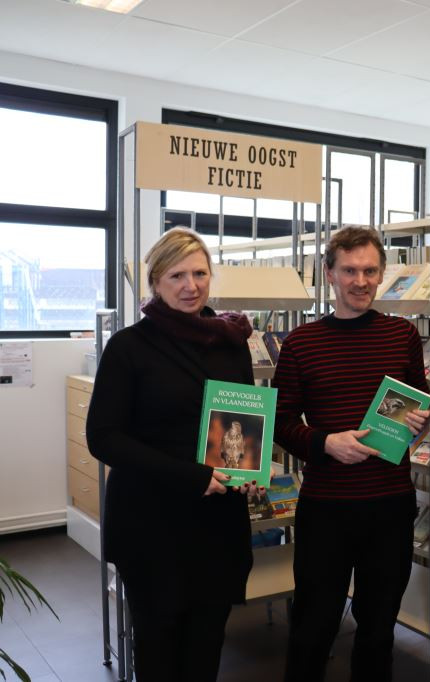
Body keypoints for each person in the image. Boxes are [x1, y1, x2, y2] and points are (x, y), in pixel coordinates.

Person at [86, 227, 255, 681]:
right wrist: (192, 475)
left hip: (217, 525)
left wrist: (245, 468)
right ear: (155, 282)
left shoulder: (231, 344)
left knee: (206, 645)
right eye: (177, 275)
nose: (191, 285)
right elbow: (103, 437)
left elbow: (239, 423)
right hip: (152, 524)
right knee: (159, 648)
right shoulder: (129, 347)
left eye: (200, 273)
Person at [273, 226, 430, 682]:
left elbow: (417, 401)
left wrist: (418, 420)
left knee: (379, 630)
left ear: (381, 274)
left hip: (389, 505)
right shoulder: (301, 343)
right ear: (329, 274)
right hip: (326, 508)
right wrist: (325, 443)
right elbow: (282, 423)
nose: (360, 280)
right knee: (312, 626)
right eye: (349, 270)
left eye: (369, 270)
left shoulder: (401, 335)